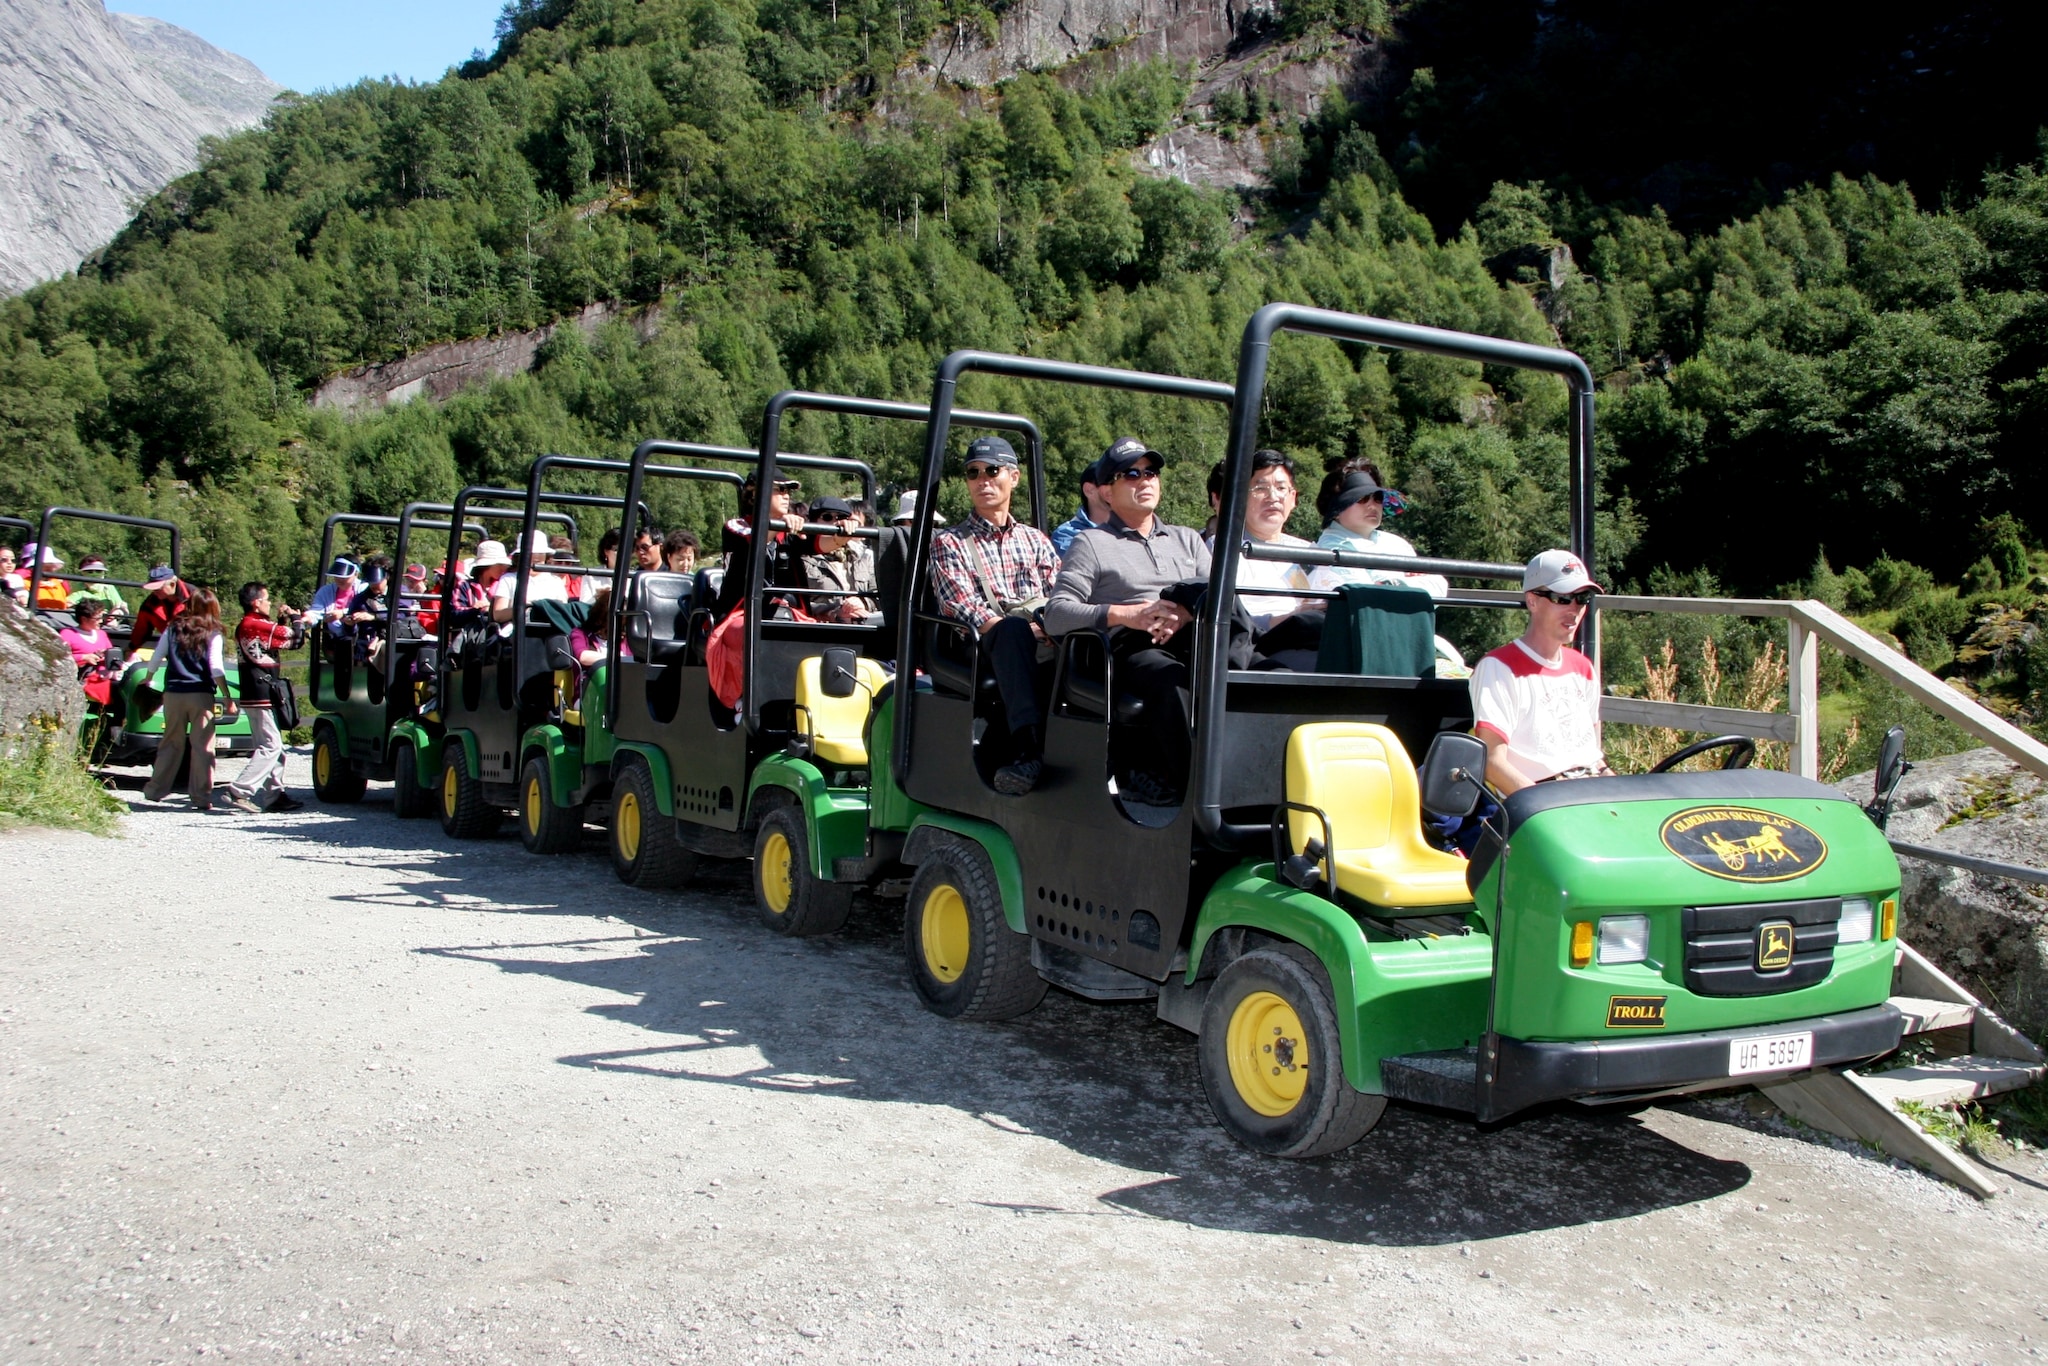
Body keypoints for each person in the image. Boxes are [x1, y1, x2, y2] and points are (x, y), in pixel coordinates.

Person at [1044, 437, 1211, 806]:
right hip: (1128, 648)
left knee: (1265, 668)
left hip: (1196, 637)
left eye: (1150, 472)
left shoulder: (1188, 540)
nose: (1145, 480)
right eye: (1131, 474)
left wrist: (1180, 615)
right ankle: (1199, 792)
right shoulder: (1090, 543)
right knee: (1171, 678)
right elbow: (1056, 615)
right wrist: (1127, 615)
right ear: (1106, 491)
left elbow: (1217, 598)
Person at [929, 436, 1063, 794]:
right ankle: (1027, 747)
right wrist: (1018, 630)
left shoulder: (1035, 540)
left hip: (1041, 632)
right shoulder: (950, 542)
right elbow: (960, 604)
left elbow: (1060, 593)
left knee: (1090, 639)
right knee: (1012, 633)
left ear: (1014, 477)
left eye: (992, 470)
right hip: (982, 643)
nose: (982, 480)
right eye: (973, 473)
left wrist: (1052, 626)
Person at [1471, 550, 1614, 794]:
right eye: (1562, 598)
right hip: (1543, 800)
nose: (1575, 608)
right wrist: (1546, 807)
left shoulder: (1583, 667)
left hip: (1592, 792)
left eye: (1583, 598)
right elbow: (1493, 764)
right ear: (1532, 601)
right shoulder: (1499, 668)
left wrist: (1622, 789)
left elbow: (1592, 755)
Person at [142, 588, 238, 812]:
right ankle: (201, 796)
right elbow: (215, 667)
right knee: (203, 747)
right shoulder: (213, 632)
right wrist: (227, 696)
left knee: (171, 743)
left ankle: (155, 790)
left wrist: (147, 679)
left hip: (173, 694)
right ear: (213, 607)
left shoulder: (173, 627)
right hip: (200, 695)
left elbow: (156, 657)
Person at [1228, 449, 1324, 668]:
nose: (1273, 497)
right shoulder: (1223, 549)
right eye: (1260, 488)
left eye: (1281, 488)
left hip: (1314, 636)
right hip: (1259, 647)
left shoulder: (1310, 550)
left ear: (1293, 498)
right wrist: (1281, 619)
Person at [1307, 460, 1449, 598]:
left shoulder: (1397, 543)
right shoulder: (1329, 549)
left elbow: (1439, 586)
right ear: (1337, 509)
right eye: (1361, 499)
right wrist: (1410, 584)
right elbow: (1365, 598)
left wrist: (1391, 584)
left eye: (1378, 498)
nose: (1372, 505)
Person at [224, 581, 305, 814]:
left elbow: (270, 644)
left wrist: (281, 621)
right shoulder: (255, 624)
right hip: (261, 693)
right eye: (267, 598)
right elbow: (296, 640)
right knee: (271, 745)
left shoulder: (248, 625)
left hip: (255, 692)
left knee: (273, 747)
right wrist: (296, 618)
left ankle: (274, 795)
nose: (270, 602)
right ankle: (240, 790)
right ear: (256, 602)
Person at [714, 475, 806, 622]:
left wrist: (842, 534)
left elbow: (819, 544)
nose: (786, 496)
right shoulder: (736, 526)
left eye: (788, 491)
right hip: (739, 614)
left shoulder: (790, 532)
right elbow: (754, 541)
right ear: (757, 492)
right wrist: (778, 525)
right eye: (781, 489)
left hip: (785, 614)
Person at [798, 495, 878, 623]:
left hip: (863, 625)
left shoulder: (862, 556)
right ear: (814, 522)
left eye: (841, 518)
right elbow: (796, 601)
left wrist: (863, 602)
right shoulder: (802, 556)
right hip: (820, 629)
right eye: (827, 517)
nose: (835, 523)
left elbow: (878, 594)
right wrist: (834, 613)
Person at [60, 599, 117, 706]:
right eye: (97, 618)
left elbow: (112, 654)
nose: (101, 621)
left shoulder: (101, 634)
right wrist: (83, 657)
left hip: (103, 676)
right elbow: (59, 657)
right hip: (84, 678)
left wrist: (106, 656)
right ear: (84, 619)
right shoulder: (68, 634)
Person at [1051, 462, 1111, 557]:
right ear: (1089, 490)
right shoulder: (1067, 535)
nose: (1119, 487)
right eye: (1110, 481)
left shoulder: (1134, 528)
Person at [129, 565, 193, 652]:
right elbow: (141, 630)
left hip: (195, 647)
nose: (154, 592)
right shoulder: (150, 604)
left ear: (172, 584)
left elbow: (208, 626)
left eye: (158, 589)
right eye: (153, 589)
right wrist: (132, 648)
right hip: (170, 648)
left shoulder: (195, 597)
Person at [70, 556, 129, 621]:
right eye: (89, 571)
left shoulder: (109, 588)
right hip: (84, 621)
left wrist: (115, 615)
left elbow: (120, 607)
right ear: (82, 573)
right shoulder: (78, 588)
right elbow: (68, 603)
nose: (94, 574)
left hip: (107, 622)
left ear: (104, 572)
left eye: (98, 571)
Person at [26, 545, 70, 610]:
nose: (50, 568)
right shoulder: (26, 584)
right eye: (45, 565)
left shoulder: (58, 583)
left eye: (51, 564)